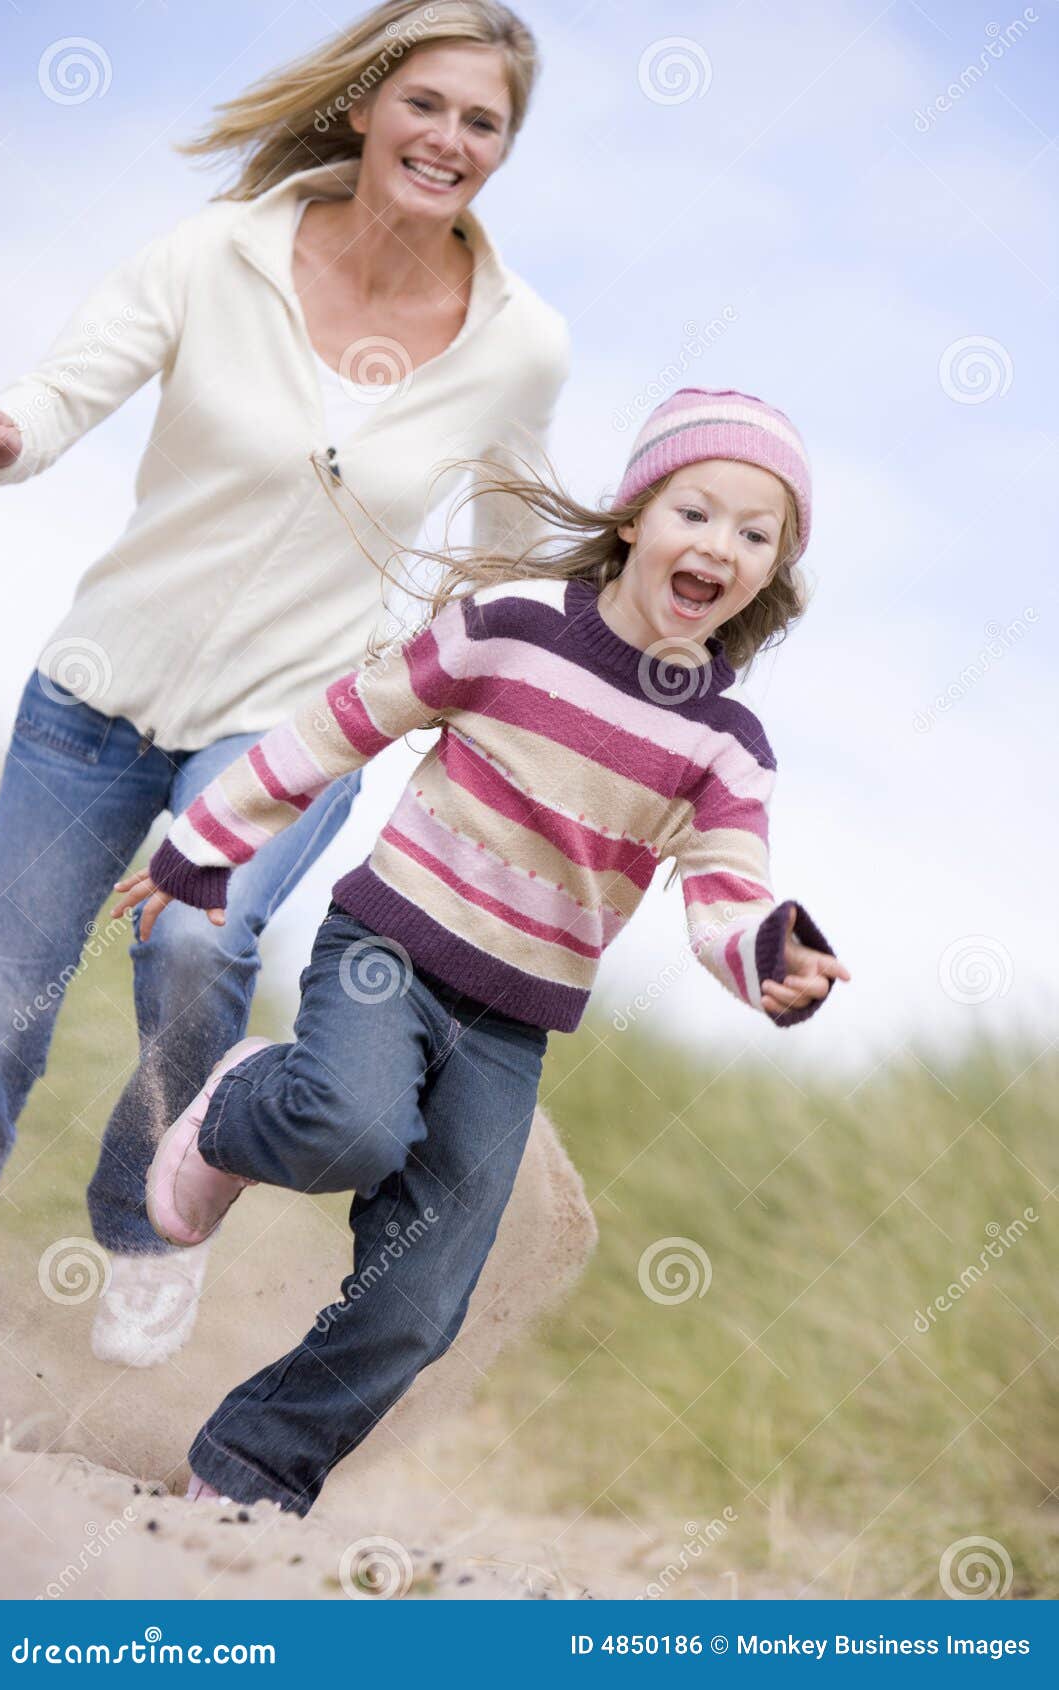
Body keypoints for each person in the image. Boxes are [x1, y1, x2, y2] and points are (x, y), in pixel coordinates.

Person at [112, 386, 853, 1515]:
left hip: (511, 1024)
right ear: (632, 517)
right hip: (391, 948)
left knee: (421, 1299)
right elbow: (341, 722)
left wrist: (771, 955)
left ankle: (248, 1470)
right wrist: (202, 847)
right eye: (694, 512)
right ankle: (237, 1107)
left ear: (769, 575)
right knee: (349, 1121)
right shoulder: (509, 625)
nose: (718, 546)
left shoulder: (723, 747)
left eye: (755, 535)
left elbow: (723, 894)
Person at [0, 1, 582, 1366]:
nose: (448, 139)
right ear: (369, 105)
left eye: (481, 121)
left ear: (502, 149)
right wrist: (9, 431)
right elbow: (56, 401)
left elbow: (499, 556)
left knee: (195, 938)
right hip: (94, 693)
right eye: (425, 104)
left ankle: (144, 1226)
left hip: (294, 721)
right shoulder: (218, 253)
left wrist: (521, 707)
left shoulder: (516, 340)